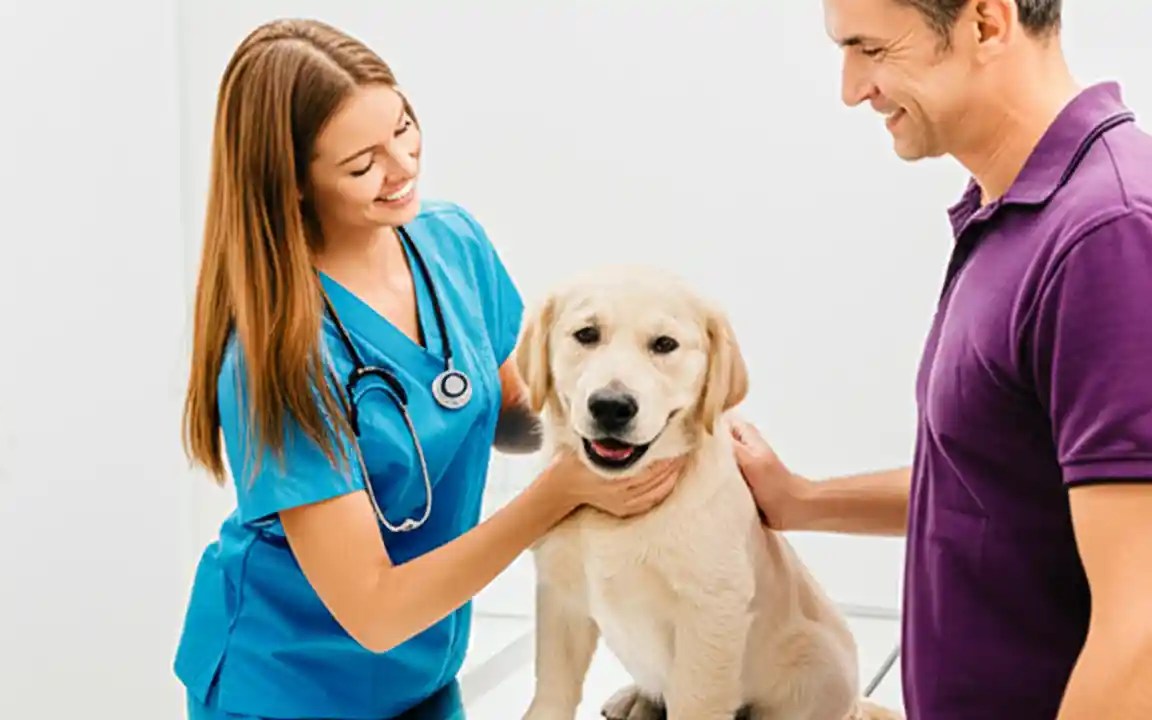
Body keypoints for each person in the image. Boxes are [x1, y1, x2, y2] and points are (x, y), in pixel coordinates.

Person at [171, 18, 685, 720]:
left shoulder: (452, 241)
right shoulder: (277, 360)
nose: (403, 164)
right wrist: (555, 496)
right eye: (362, 164)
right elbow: (375, 611)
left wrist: (623, 413)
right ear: (292, 182)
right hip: (291, 685)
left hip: (421, 674)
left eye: (404, 126)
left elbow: (515, 411)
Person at [730, 1, 1152, 718]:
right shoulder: (1016, 216)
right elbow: (1010, 480)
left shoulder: (1107, 234)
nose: (851, 88)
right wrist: (802, 500)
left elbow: (1141, 632)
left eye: (870, 49)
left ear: (986, 22)